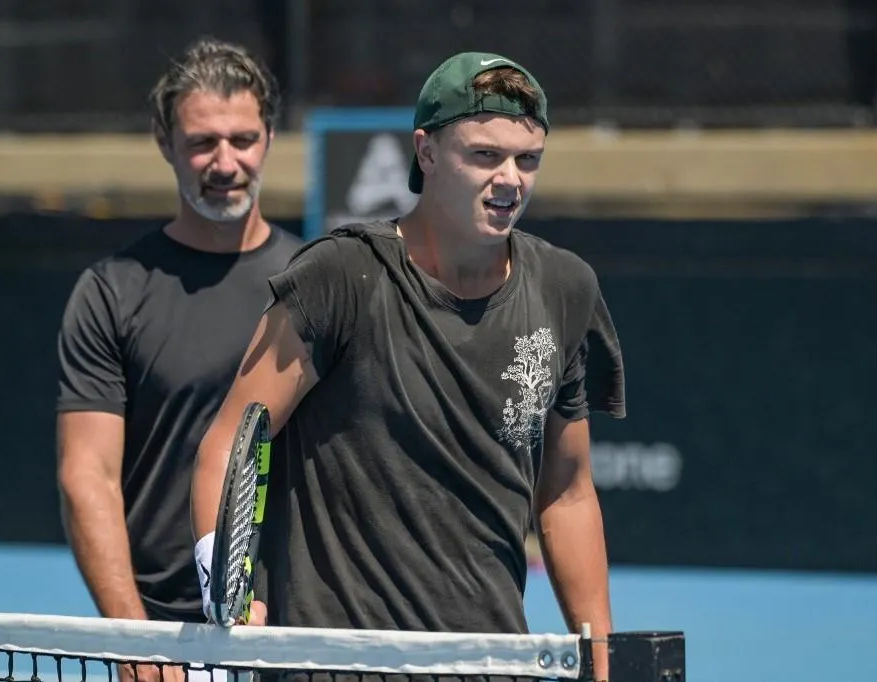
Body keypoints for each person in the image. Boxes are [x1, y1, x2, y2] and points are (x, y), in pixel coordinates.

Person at [192, 52, 624, 681]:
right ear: (425, 152)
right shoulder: (340, 276)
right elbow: (227, 444)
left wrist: (603, 659)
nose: (509, 179)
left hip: (490, 666)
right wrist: (225, 593)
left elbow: (566, 491)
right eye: (483, 155)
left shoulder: (565, 288)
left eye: (526, 159)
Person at [54, 35, 302, 678]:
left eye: (243, 139)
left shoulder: (315, 280)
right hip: (165, 639)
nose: (225, 162)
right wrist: (134, 640)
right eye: (202, 142)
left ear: (269, 137)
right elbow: (89, 476)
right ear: (165, 143)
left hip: (300, 634)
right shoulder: (111, 291)